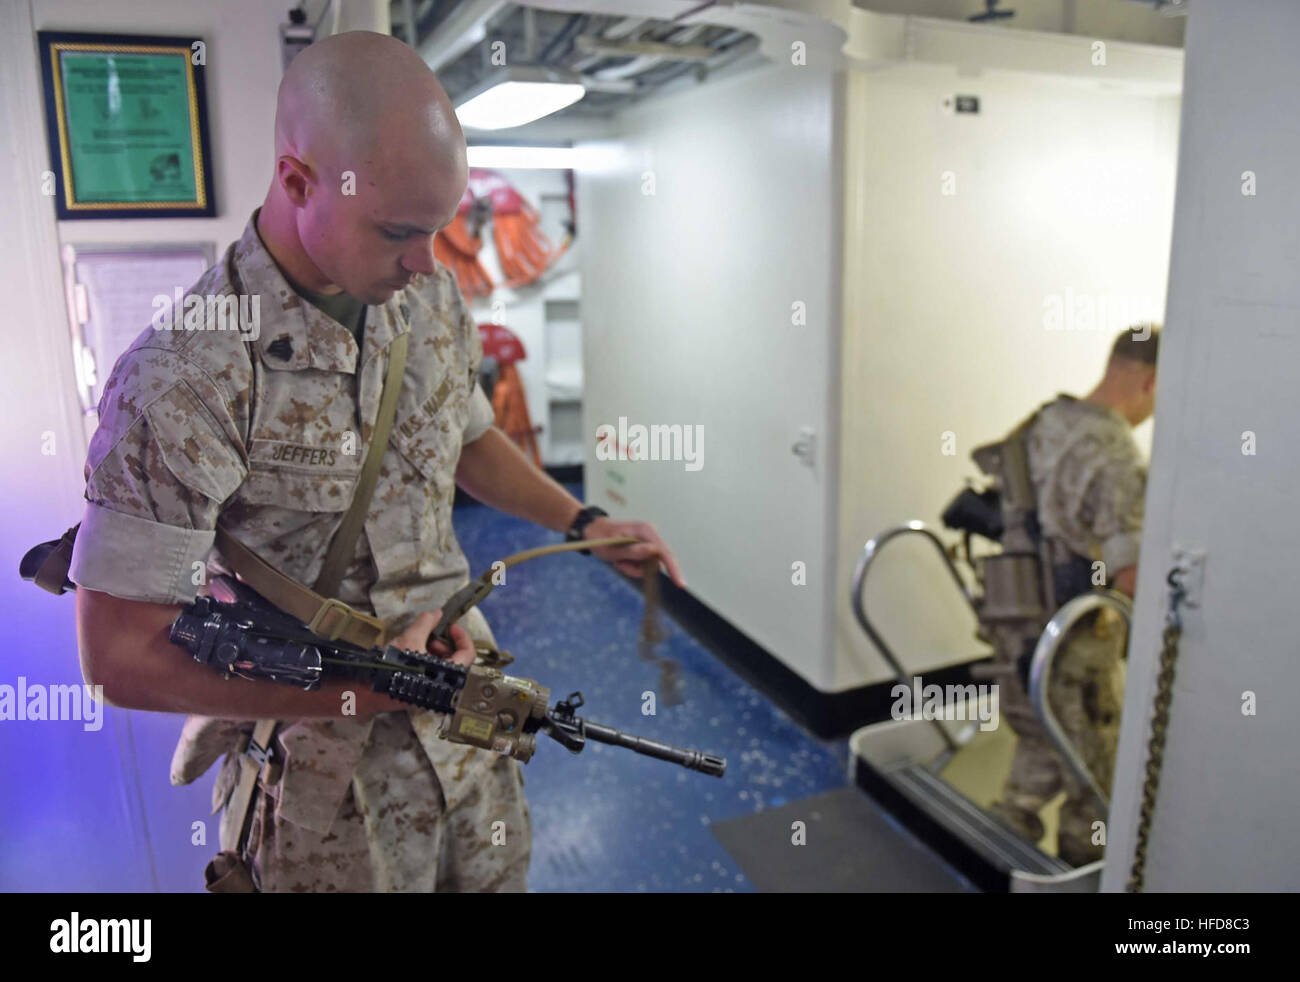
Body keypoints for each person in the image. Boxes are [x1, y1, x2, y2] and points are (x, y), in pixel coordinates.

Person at [69, 30, 684, 893]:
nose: (427, 263)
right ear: (297, 181)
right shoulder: (186, 380)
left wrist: (582, 521)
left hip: (472, 753)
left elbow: (465, 440)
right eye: (399, 231)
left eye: (440, 228)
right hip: (326, 808)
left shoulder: (424, 296)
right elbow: (118, 658)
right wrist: (361, 695)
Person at [987, 325, 1158, 866]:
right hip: (1079, 640)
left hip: (1018, 620)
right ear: (1151, 381)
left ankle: (1001, 838)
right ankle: (1083, 871)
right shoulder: (1118, 456)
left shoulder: (1044, 422)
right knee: (1096, 780)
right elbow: (1128, 575)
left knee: (1040, 736)